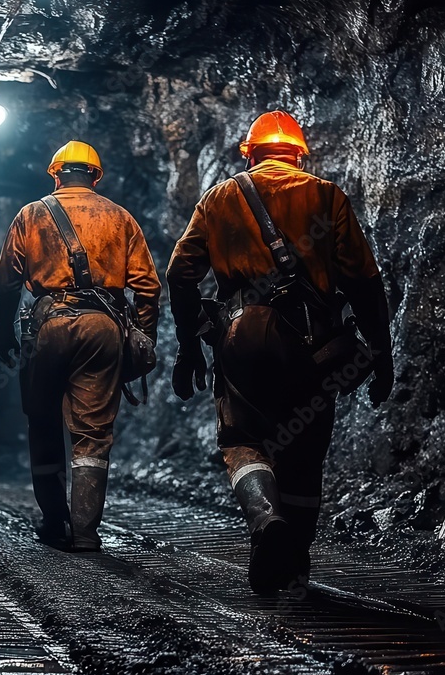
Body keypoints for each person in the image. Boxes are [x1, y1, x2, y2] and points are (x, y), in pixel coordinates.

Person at [166, 111, 393, 592]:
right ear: (298, 155)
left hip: (241, 335)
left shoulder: (220, 197)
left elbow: (179, 275)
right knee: (305, 450)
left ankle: (266, 520)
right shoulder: (326, 195)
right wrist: (381, 351)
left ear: (250, 154)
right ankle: (294, 564)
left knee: (241, 439)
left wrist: (188, 348)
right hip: (312, 341)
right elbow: (363, 281)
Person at [0, 141, 161, 551]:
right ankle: (85, 532)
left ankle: (54, 521)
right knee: (93, 432)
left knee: (43, 422)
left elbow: (6, 285)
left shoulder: (31, 215)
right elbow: (148, 287)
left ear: (56, 175)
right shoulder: (120, 217)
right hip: (103, 329)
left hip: (47, 327)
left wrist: (3, 335)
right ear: (95, 177)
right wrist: (143, 336)